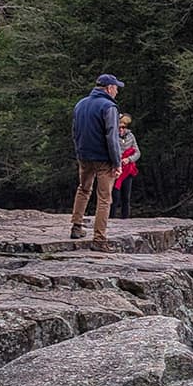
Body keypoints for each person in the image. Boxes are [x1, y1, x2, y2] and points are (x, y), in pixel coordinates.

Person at [70, 74, 124, 252]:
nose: (117, 91)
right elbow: (112, 137)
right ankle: (99, 239)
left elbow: (74, 131)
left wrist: (79, 152)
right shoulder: (109, 107)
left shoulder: (80, 104)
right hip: (103, 159)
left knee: (83, 189)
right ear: (109, 88)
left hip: (84, 156)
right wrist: (117, 162)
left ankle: (76, 227)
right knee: (104, 198)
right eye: (116, 88)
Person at [111, 113, 140, 219]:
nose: (121, 129)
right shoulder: (112, 136)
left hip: (128, 170)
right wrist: (119, 160)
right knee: (115, 197)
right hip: (116, 170)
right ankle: (111, 218)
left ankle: (125, 218)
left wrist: (129, 159)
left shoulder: (131, 136)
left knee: (126, 197)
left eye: (123, 127)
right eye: (119, 127)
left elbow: (137, 152)